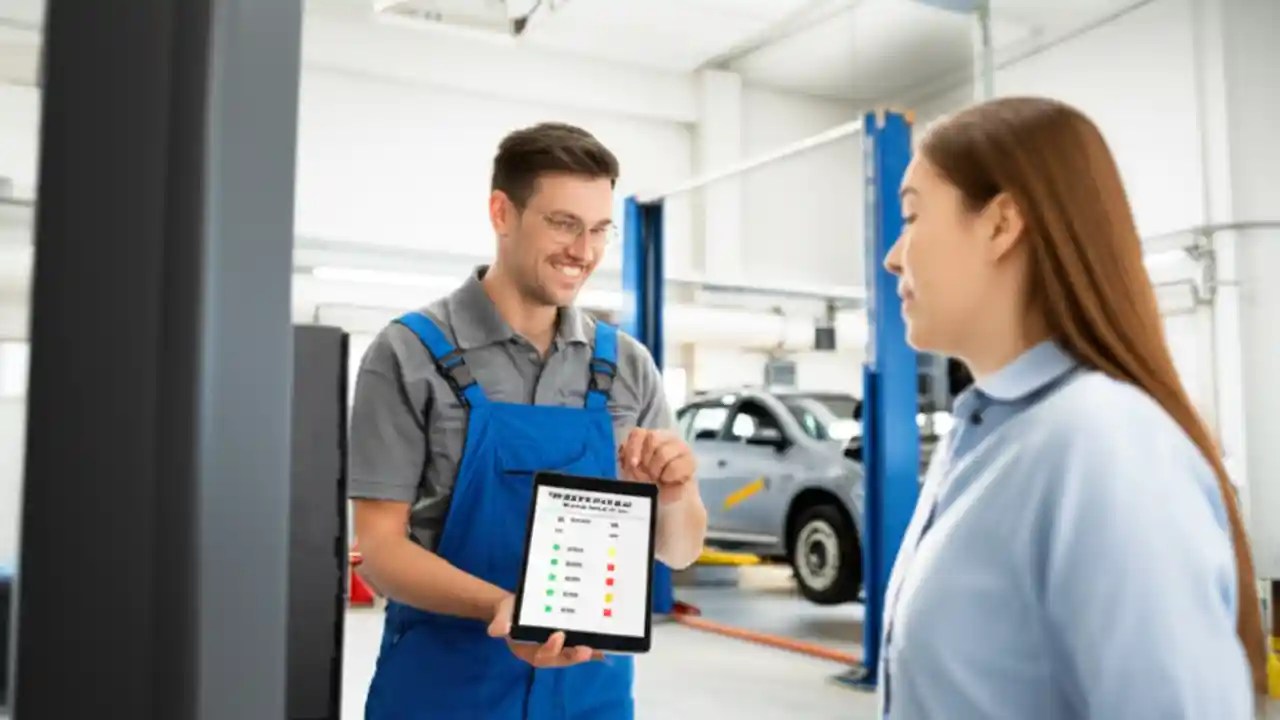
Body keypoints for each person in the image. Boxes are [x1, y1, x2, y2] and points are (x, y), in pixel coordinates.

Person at [879, 96, 1267, 719]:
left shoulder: (1103, 443)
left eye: (912, 217)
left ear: (1002, 224)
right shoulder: (985, 435)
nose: (894, 256)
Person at [349, 122, 708, 719]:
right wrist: (503, 607)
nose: (584, 251)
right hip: (444, 690)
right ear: (502, 212)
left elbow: (679, 551)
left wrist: (676, 493)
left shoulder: (626, 366)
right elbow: (380, 549)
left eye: (598, 230)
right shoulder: (408, 353)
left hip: (589, 697)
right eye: (564, 223)